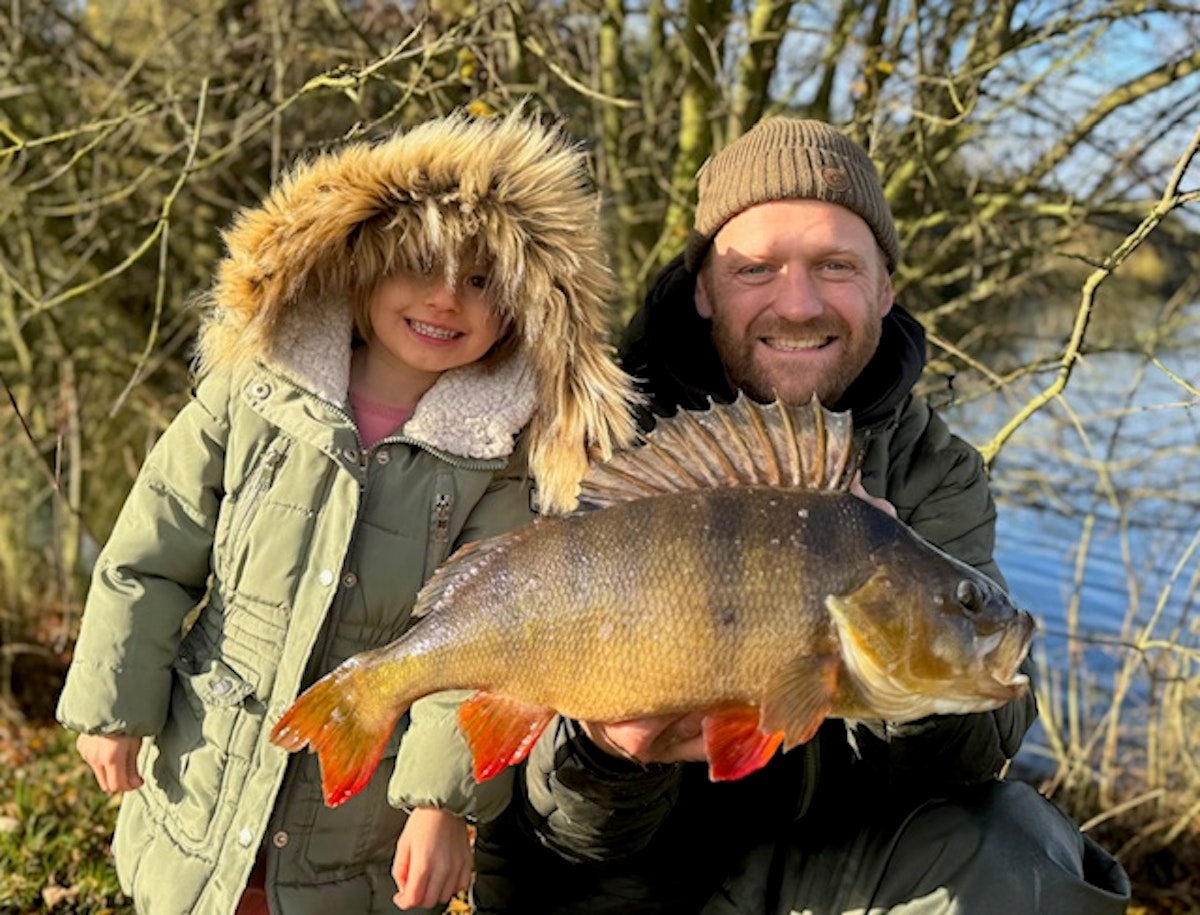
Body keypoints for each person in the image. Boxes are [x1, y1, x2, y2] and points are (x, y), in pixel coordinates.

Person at [462, 118, 1133, 913]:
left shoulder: (932, 470)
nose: (799, 300)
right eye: (756, 267)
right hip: (609, 888)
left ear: (886, 286)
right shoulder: (580, 433)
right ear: (703, 288)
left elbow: (973, 752)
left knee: (1023, 846)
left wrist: (900, 665)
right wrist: (610, 756)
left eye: (836, 264)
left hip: (812, 873)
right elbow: (542, 834)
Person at [54, 108, 637, 915]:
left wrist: (442, 804)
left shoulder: (498, 463)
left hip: (351, 824)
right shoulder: (256, 393)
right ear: (363, 265)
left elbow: (483, 650)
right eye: (421, 266)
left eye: (480, 282)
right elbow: (150, 555)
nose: (445, 299)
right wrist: (115, 705)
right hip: (205, 778)